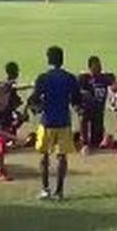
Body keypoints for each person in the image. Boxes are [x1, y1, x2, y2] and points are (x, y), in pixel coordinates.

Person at [28, 46, 81, 201]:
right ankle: (59, 191)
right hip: (64, 121)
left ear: (48, 59)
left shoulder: (43, 78)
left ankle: (45, 189)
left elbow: (34, 100)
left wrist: (38, 107)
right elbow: (77, 100)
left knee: (44, 156)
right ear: (62, 59)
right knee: (62, 157)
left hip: (47, 121)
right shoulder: (70, 78)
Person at [77, 56, 116, 154]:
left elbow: (114, 85)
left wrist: (114, 92)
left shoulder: (105, 78)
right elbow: (77, 91)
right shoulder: (84, 78)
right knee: (83, 118)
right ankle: (84, 142)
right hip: (87, 109)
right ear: (90, 67)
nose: (99, 68)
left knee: (96, 141)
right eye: (96, 66)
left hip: (98, 111)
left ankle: (101, 138)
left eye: (99, 66)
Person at [0, 62, 29, 144]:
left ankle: (11, 138)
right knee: (15, 121)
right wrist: (30, 85)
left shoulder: (9, 81)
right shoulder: (10, 82)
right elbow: (16, 87)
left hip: (11, 107)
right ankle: (10, 139)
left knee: (17, 120)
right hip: (8, 108)